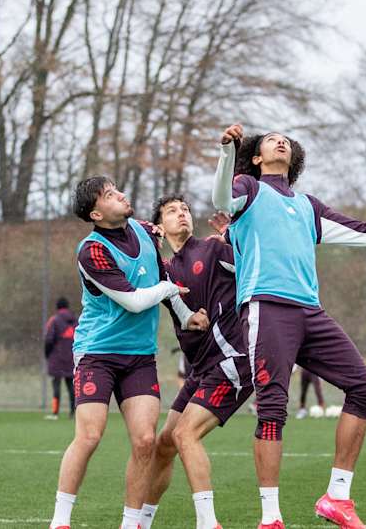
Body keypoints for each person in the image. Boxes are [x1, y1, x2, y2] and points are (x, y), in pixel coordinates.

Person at [212, 125, 366, 529]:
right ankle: (270, 519)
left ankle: (337, 497)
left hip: (309, 312)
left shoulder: (307, 205)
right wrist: (228, 151)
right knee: (272, 410)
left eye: (285, 139)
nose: (280, 140)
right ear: (257, 157)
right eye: (269, 139)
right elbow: (220, 198)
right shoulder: (247, 187)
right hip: (267, 308)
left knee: (365, 387)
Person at [49, 176, 187, 529]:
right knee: (90, 435)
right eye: (110, 195)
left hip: (140, 355)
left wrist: (186, 317)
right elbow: (136, 301)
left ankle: (131, 524)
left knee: (145, 441)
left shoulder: (143, 230)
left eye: (117, 189)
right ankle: (60, 521)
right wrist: (169, 287)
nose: (121, 194)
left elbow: (162, 277)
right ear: (96, 212)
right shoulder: (91, 250)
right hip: (98, 353)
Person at [141, 195, 252, 529]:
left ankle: (208, 523)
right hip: (201, 369)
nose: (182, 214)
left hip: (232, 360)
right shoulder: (164, 270)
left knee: (185, 434)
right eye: (173, 212)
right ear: (161, 226)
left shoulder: (213, 249)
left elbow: (254, 264)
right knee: (163, 444)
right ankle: (140, 523)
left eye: (185, 209)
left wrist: (236, 234)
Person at [43, 297, 78, 420]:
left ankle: (55, 413)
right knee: (72, 386)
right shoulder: (76, 320)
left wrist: (47, 354)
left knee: (56, 385)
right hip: (72, 358)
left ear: (57, 307)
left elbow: (48, 339)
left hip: (57, 358)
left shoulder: (54, 320)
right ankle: (73, 413)